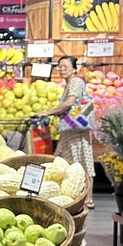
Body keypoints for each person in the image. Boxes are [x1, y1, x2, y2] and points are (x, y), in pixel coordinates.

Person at [46, 55, 95, 209]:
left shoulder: (75, 82)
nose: (62, 69)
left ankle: (88, 198)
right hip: (71, 130)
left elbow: (69, 102)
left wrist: (47, 112)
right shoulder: (69, 84)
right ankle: (76, 196)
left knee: (82, 162)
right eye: (60, 66)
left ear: (74, 68)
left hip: (77, 131)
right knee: (67, 161)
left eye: (65, 66)